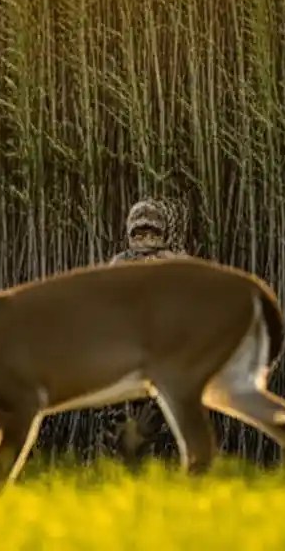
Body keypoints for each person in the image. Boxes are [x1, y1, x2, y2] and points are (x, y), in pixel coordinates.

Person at [97, 196, 190, 469]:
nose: (145, 238)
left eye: (151, 231)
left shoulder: (174, 262)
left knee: (154, 423)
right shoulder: (120, 263)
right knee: (120, 423)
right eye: (139, 232)